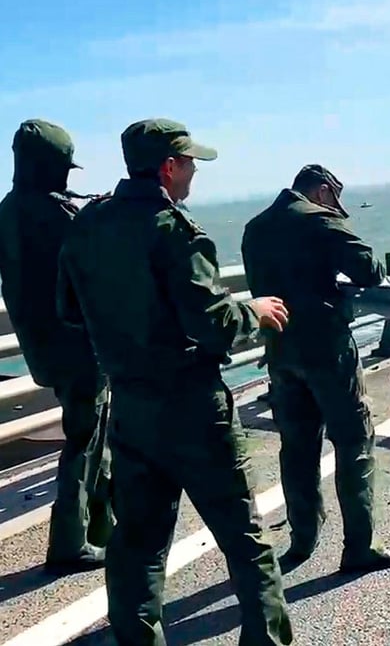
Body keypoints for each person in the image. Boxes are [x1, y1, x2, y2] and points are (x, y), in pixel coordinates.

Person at [56, 118, 293, 646]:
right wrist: (253, 310)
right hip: (192, 407)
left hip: (131, 408)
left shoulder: (88, 224)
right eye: (189, 164)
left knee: (136, 545)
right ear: (169, 167)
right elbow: (211, 324)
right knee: (243, 537)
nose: (192, 175)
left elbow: (67, 310)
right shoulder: (173, 230)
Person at [240, 164, 390, 573]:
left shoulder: (255, 227)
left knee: (297, 446)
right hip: (326, 348)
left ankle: (303, 539)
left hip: (280, 348)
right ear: (322, 190)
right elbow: (368, 269)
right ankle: (360, 546)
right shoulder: (319, 220)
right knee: (353, 442)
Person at [0, 119, 113, 574]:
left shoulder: (9, 209)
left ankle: (103, 523)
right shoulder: (55, 214)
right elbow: (96, 258)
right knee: (85, 440)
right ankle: (69, 542)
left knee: (94, 434)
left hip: (42, 345)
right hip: (77, 345)